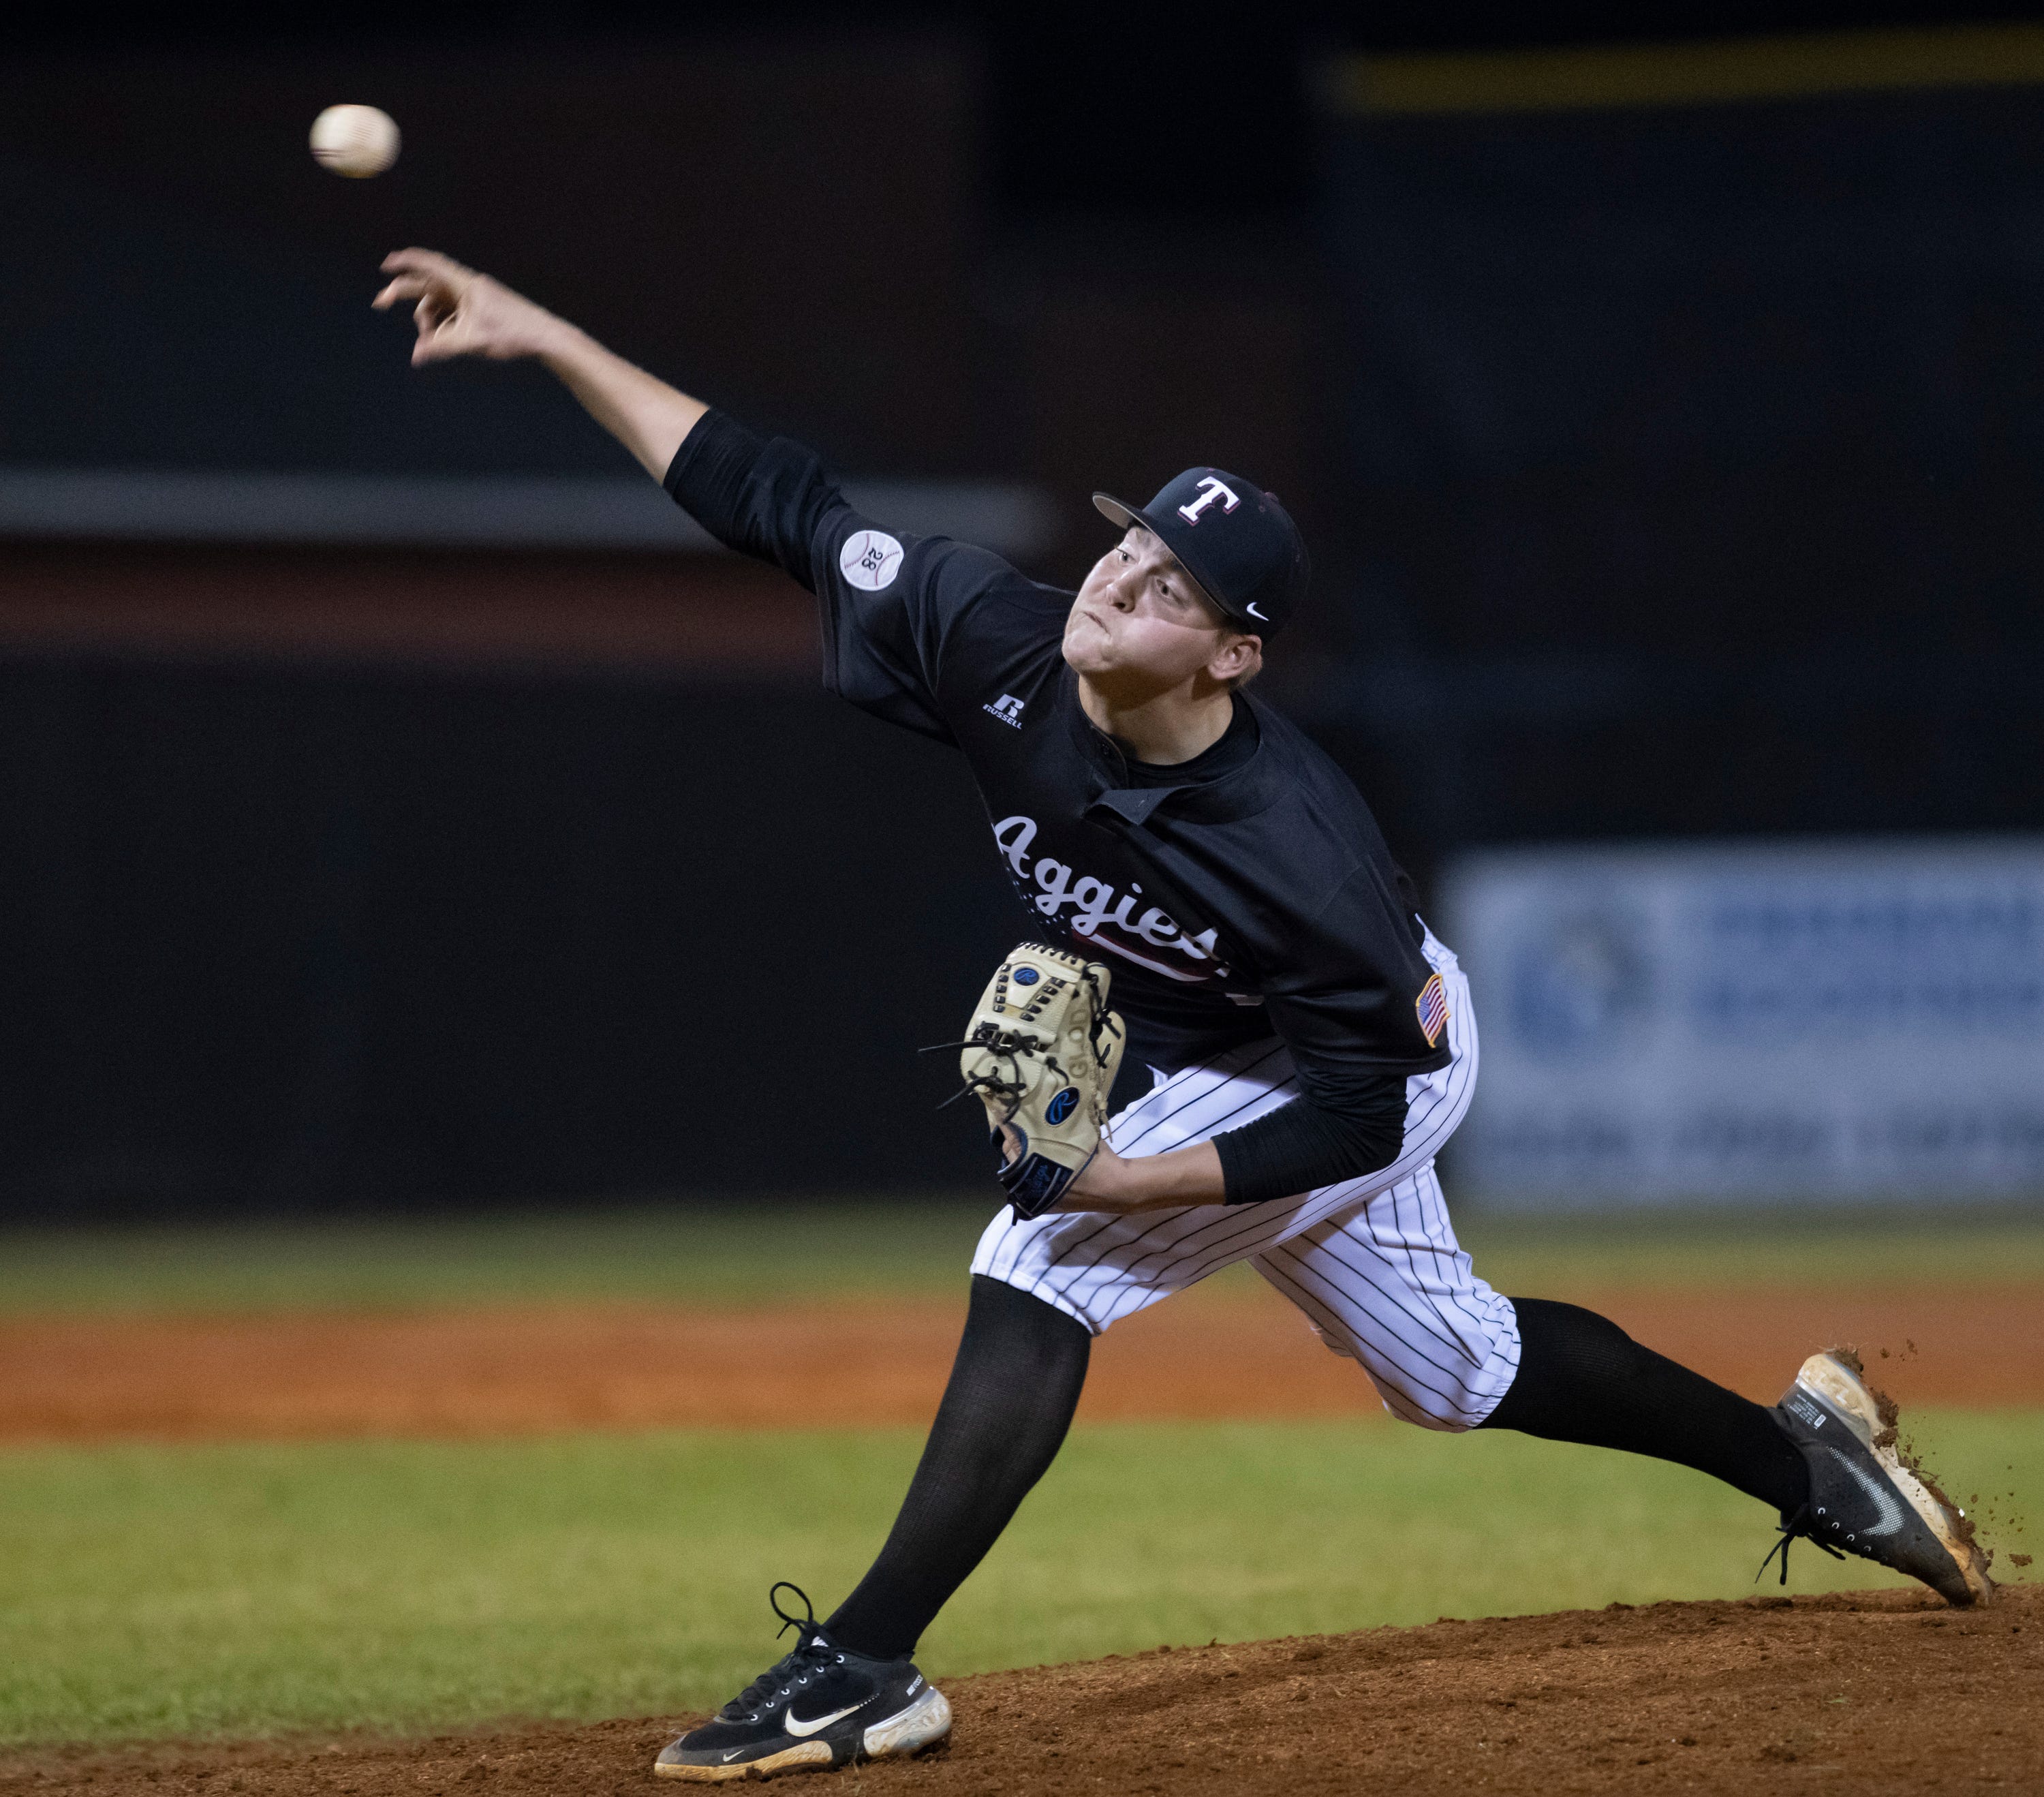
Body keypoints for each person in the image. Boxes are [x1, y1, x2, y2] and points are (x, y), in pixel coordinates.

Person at [372, 249, 1995, 1783]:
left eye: (1170, 587)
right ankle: (1811, 1461)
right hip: (1247, 1053)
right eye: (1129, 545)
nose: (1121, 578)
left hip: (1363, 1062)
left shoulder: (1298, 852)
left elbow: (1361, 1109)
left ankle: (865, 1662)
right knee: (1456, 1365)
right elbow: (778, 499)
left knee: (1044, 1256)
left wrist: (1119, 1181)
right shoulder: (991, 637)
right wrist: (550, 335)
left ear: (1232, 654)